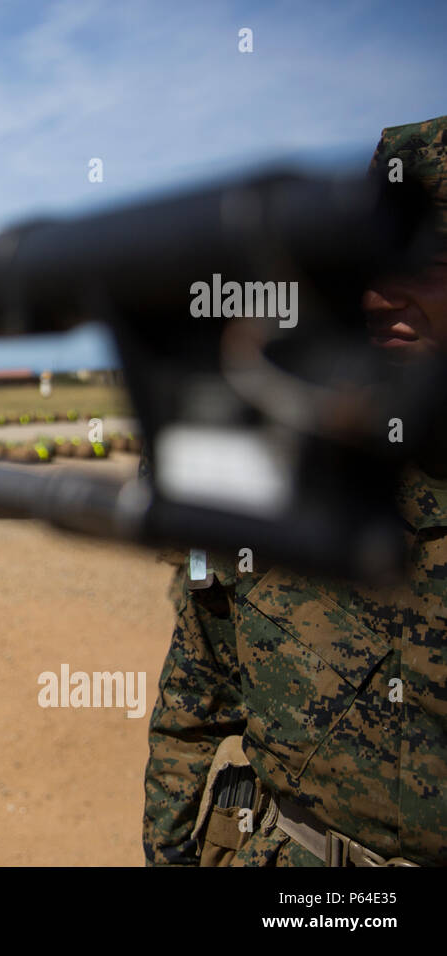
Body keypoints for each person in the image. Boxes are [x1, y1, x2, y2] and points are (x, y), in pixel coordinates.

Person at [143, 115, 447, 866]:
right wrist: (167, 853)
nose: (379, 297)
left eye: (425, 264)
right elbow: (194, 697)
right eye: (362, 266)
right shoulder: (281, 473)